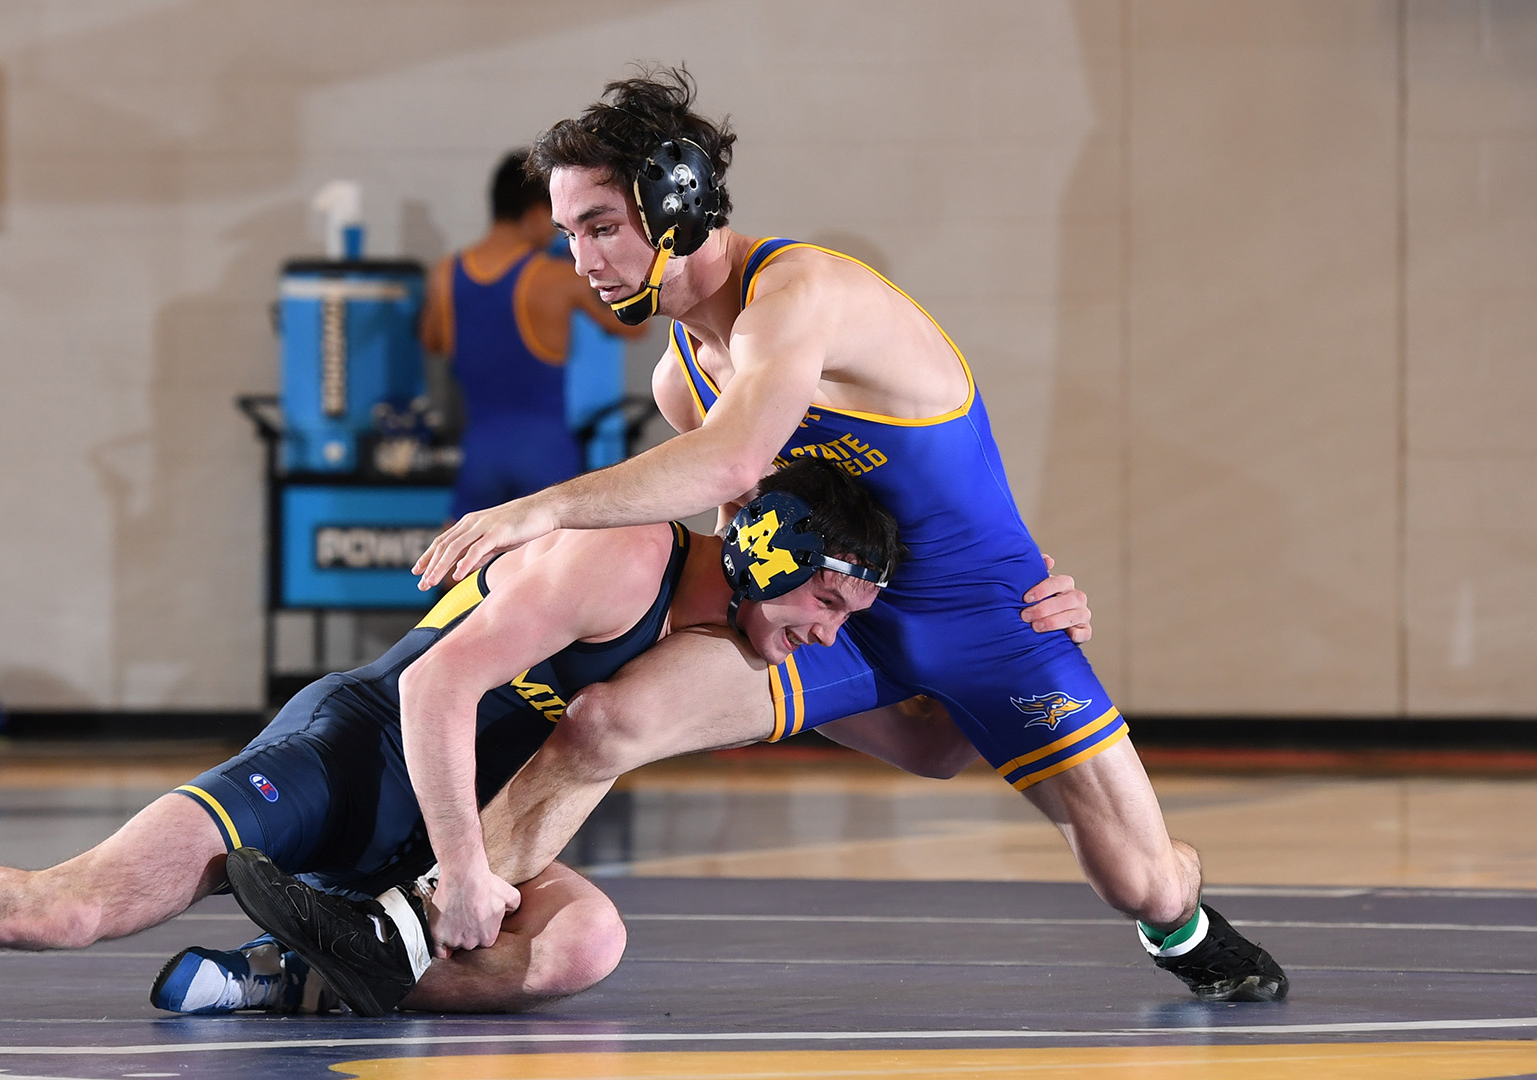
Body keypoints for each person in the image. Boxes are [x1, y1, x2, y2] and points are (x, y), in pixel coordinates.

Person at [398, 68, 1287, 1007]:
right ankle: (404, 926)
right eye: (569, 232)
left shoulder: (801, 293)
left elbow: (735, 464)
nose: (580, 259)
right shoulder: (679, 378)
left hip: (990, 617)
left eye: (602, 226)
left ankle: (1180, 909)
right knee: (607, 723)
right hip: (844, 622)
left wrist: (544, 508)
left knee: (1133, 880)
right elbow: (748, 545)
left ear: (679, 207)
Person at [0, 457, 1091, 1016]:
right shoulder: (626, 568)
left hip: (445, 841)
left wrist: (1043, 647)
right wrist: (467, 870)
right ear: (776, 552)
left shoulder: (740, 644)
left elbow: (934, 751)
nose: (834, 639)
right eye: (834, 605)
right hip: (357, 755)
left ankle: (284, 971)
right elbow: (433, 695)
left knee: (587, 944)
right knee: (72, 912)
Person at [424, 150, 648, 520]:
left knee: (460, 571)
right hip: (545, 456)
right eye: (556, 221)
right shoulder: (557, 276)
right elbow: (637, 326)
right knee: (553, 572)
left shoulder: (444, 275)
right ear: (533, 213)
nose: (558, 232)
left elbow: (434, 342)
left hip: (480, 453)